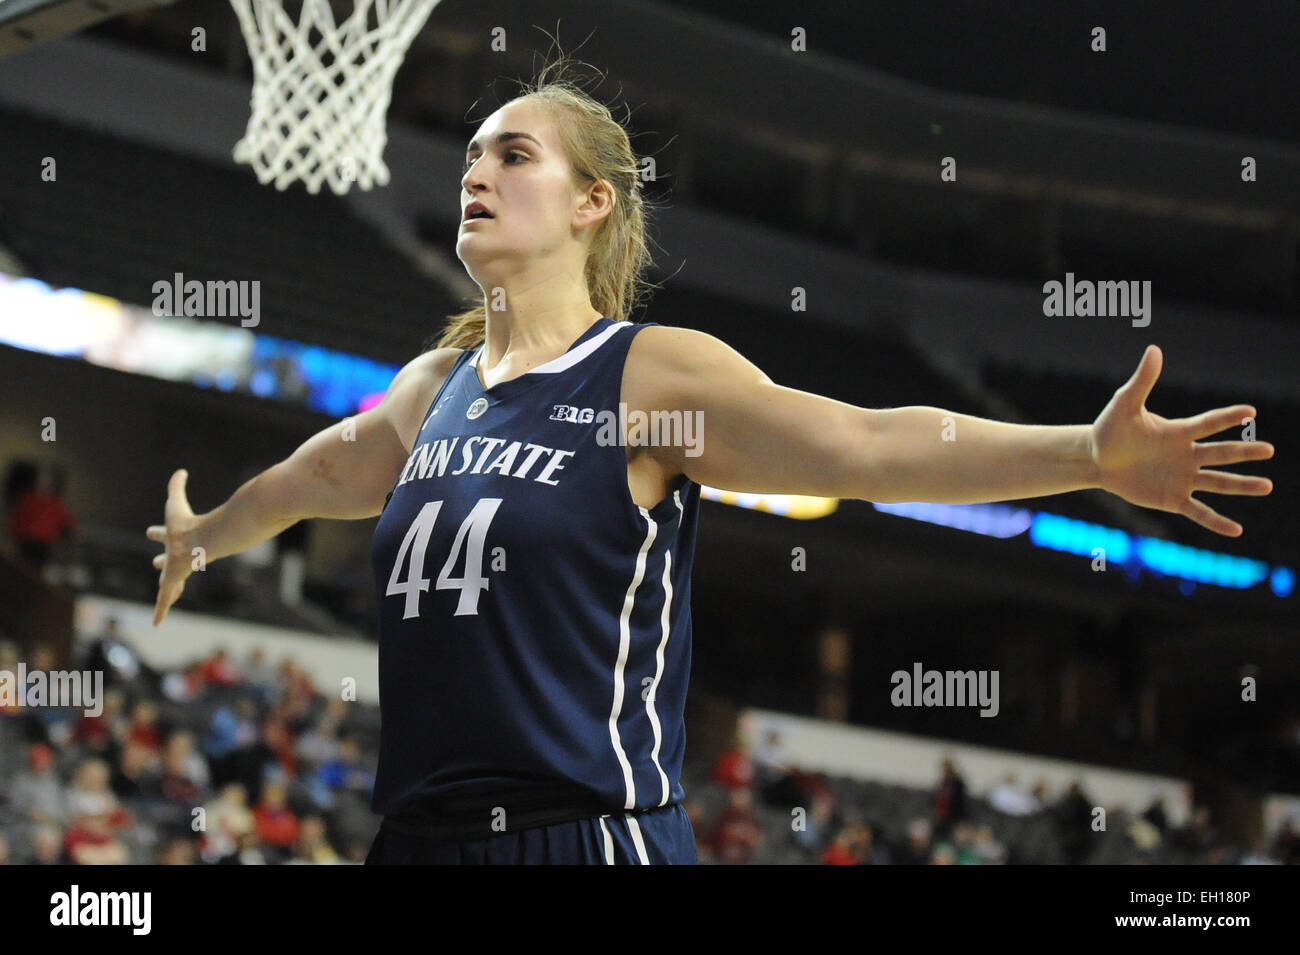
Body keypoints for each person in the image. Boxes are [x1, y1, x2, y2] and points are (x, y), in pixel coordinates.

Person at [145, 56, 1275, 865]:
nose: (475, 170)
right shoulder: (429, 395)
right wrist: (207, 534)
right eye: (473, 154)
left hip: (586, 835)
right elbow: (315, 476)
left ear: (594, 201)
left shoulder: (645, 380)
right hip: (419, 837)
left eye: (513, 152)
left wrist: (1083, 449)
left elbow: (866, 441)